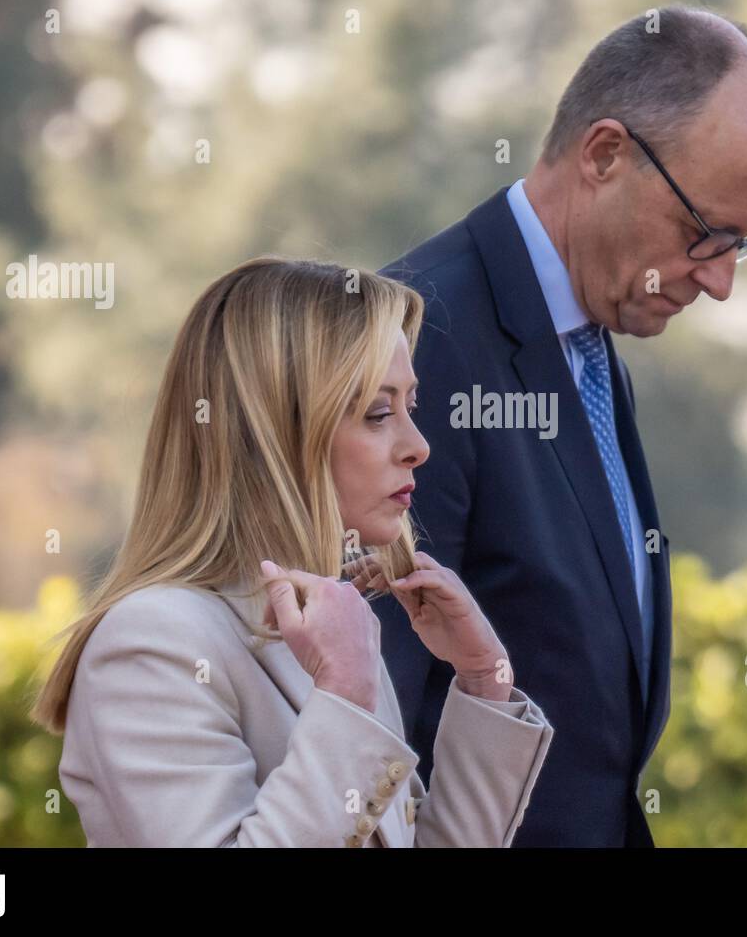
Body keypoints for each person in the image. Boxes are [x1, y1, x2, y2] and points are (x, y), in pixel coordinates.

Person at [374, 6, 747, 846]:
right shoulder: (421, 338)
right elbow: (373, 713)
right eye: (704, 233)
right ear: (604, 154)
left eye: (744, 246)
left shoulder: (589, 337)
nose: (719, 283)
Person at [31, 258, 554, 847]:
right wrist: (347, 695)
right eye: (378, 412)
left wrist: (484, 681)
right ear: (277, 433)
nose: (418, 446)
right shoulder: (152, 643)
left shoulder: (328, 627)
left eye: (412, 406)